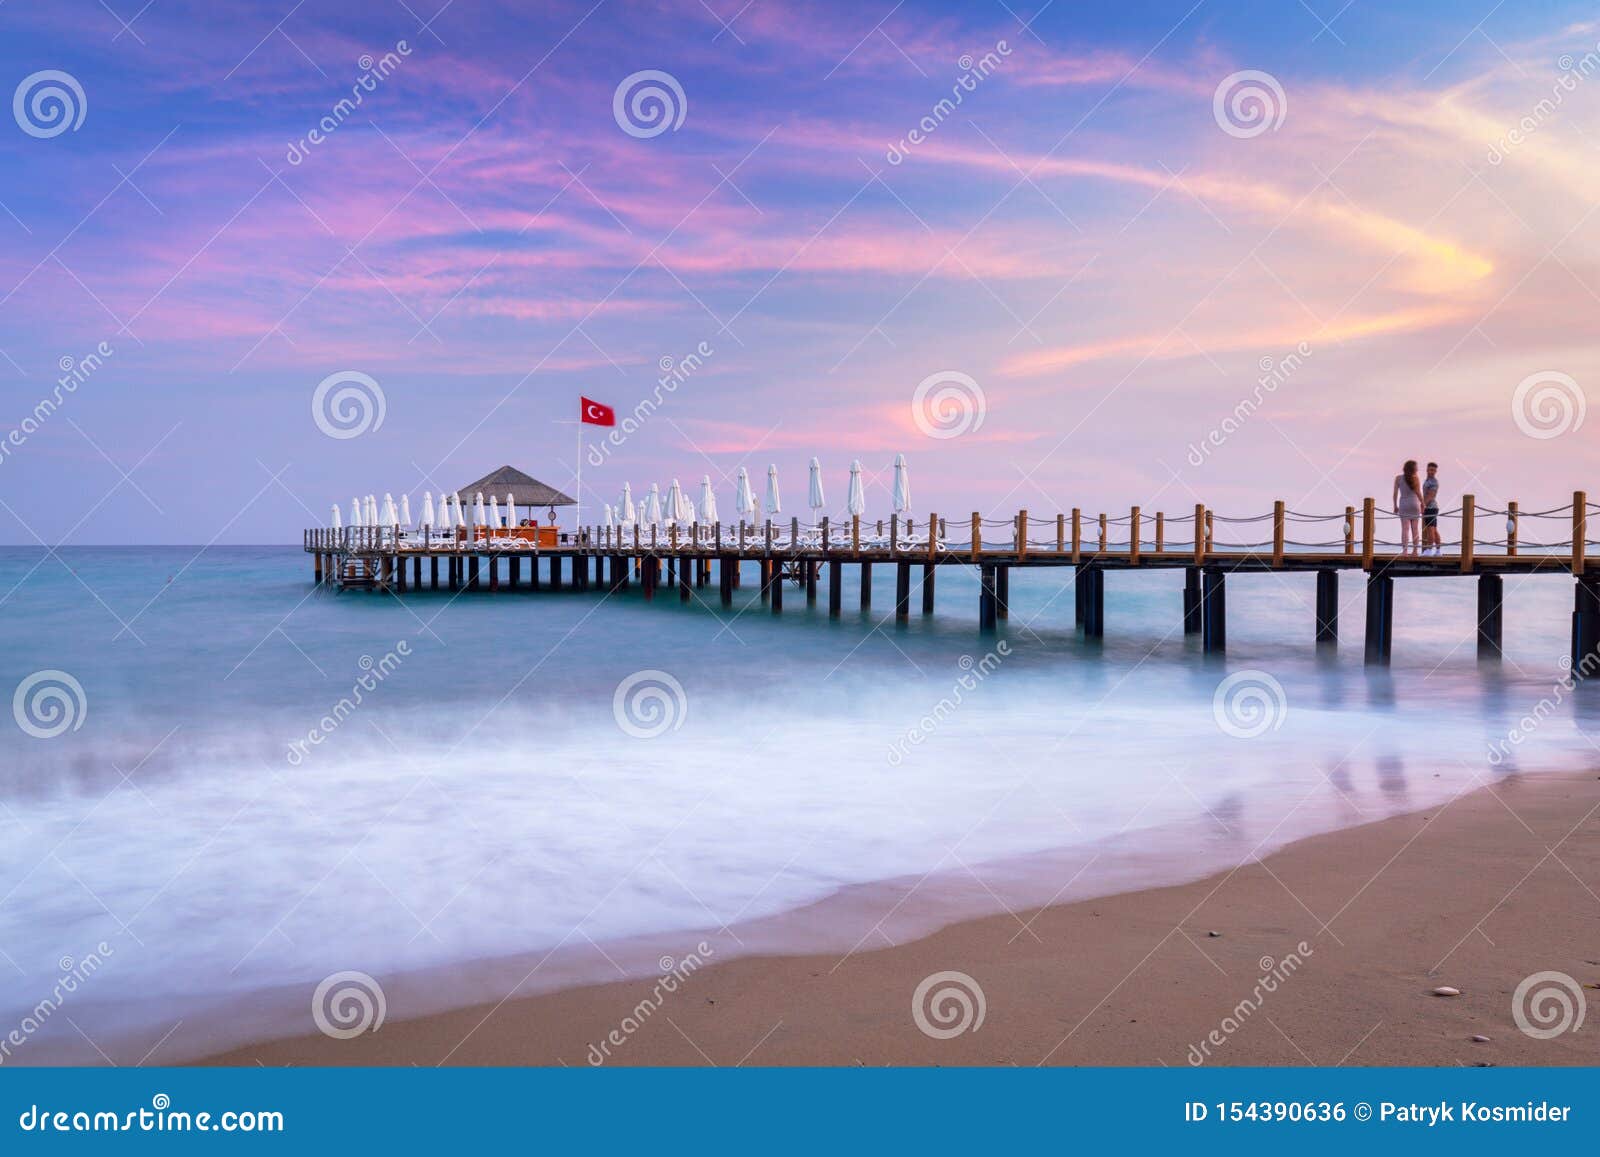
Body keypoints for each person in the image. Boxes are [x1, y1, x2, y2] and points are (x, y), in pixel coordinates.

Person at [1393, 459, 1424, 556]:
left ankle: (1405, 551)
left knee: (1405, 529)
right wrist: (1423, 504)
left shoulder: (1398, 478)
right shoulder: (1416, 478)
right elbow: (1419, 493)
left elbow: (1395, 494)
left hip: (1404, 504)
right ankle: (1415, 551)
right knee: (1415, 529)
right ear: (1413, 469)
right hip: (1415, 504)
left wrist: (1395, 506)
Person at [1421, 462, 1441, 556]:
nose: (1432, 472)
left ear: (1436, 471)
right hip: (1429, 507)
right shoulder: (1427, 480)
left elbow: (1431, 496)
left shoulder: (1433, 482)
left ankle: (1429, 550)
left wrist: (1423, 506)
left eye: (1433, 470)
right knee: (1434, 530)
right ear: (1427, 469)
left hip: (1431, 507)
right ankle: (1438, 551)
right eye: (1430, 469)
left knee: (1430, 530)